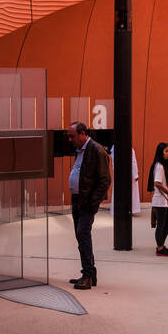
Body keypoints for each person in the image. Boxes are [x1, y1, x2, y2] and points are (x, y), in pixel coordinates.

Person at [66, 121, 111, 290]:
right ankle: (90, 273)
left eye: (73, 136)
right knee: (81, 236)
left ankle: (87, 275)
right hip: (78, 199)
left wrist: (93, 201)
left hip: (86, 201)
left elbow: (105, 180)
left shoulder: (96, 150)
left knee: (82, 233)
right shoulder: (80, 150)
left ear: (83, 133)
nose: (70, 140)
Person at [148, 142, 168, 256]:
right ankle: (160, 248)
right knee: (162, 224)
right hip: (160, 200)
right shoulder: (159, 166)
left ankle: (161, 245)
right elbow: (157, 183)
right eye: (166, 151)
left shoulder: (163, 166)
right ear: (160, 152)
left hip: (164, 200)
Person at [109, 145, 141, 216]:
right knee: (129, 192)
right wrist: (135, 174)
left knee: (119, 191)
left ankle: (118, 209)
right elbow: (132, 161)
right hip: (128, 173)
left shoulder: (114, 147)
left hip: (119, 173)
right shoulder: (128, 147)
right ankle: (128, 210)